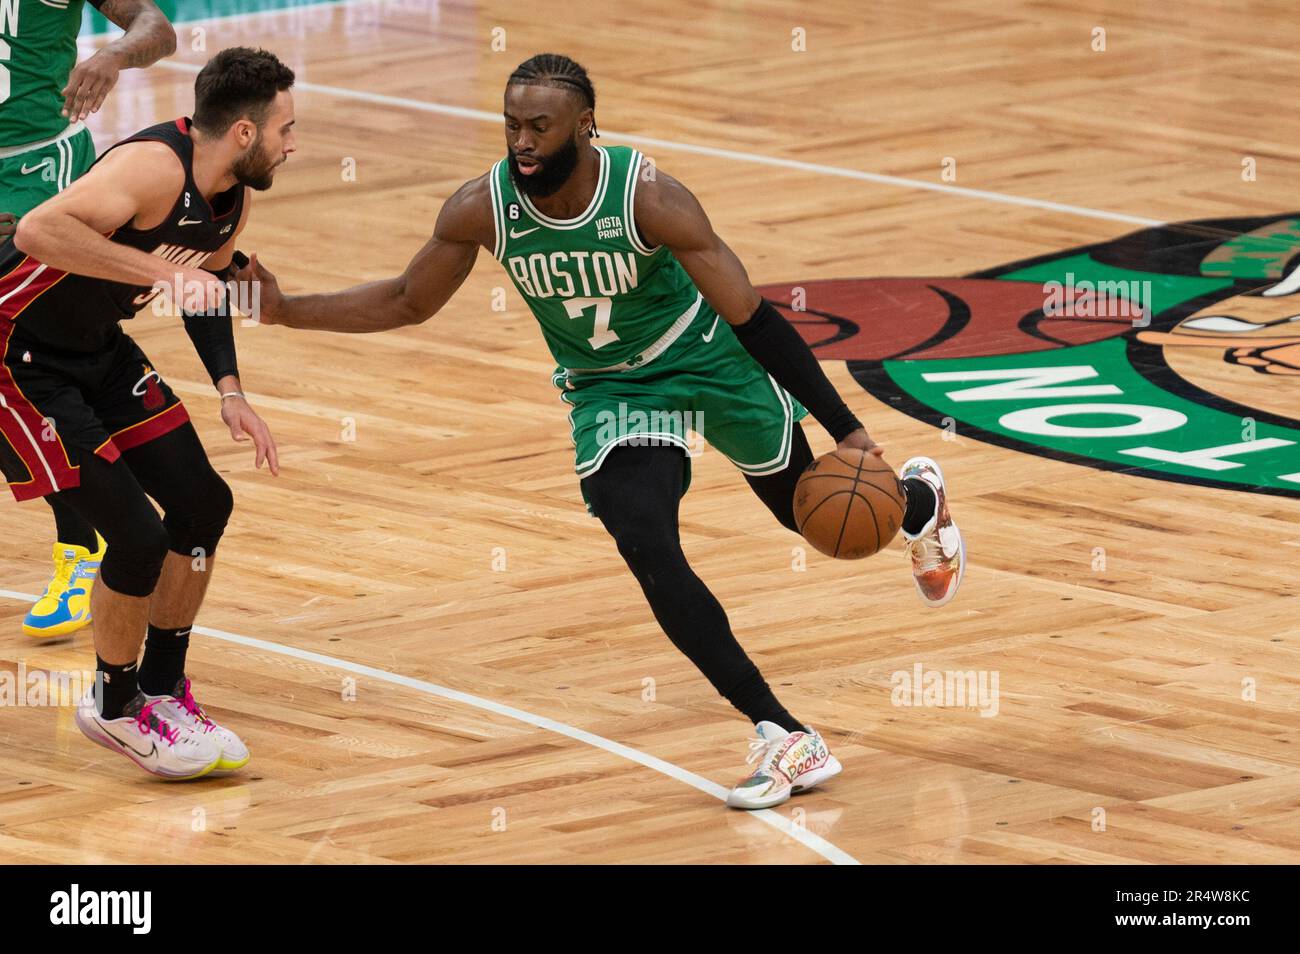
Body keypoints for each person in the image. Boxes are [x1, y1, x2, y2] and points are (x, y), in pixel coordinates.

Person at [239, 53, 965, 809]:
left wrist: (846, 430)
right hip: (613, 390)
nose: (521, 142)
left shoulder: (649, 198)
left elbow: (752, 313)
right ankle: (783, 733)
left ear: (584, 127)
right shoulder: (481, 207)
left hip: (708, 356)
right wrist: (287, 309)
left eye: (539, 127)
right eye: (512, 124)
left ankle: (918, 505)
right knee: (644, 537)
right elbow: (405, 301)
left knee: (819, 519)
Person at [1, 46, 293, 779]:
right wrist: (159, 270)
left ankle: (163, 691)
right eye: (287, 130)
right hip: (16, 355)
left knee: (202, 506)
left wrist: (231, 392)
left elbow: (209, 281)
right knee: (132, 538)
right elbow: (37, 231)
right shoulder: (153, 168)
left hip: (96, 350)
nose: (296, 145)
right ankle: (116, 706)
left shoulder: (231, 192)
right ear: (246, 134)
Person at [0, 0, 176, 638]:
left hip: (39, 173)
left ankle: (80, 550)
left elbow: (157, 26)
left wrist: (115, 53)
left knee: (31, 361)